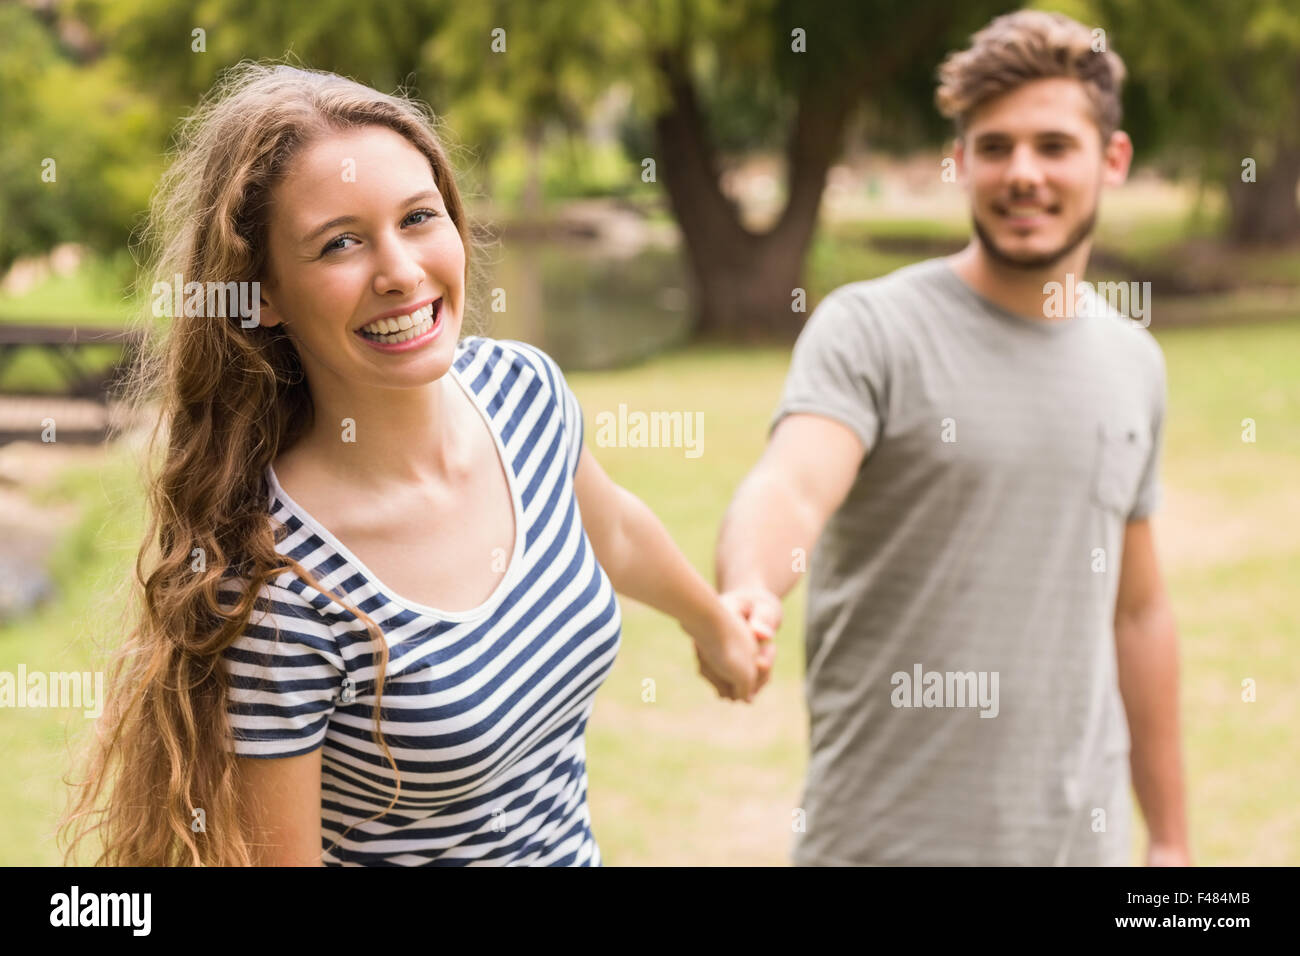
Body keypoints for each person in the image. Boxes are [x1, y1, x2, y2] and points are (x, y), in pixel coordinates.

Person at [60, 62, 771, 867]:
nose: (399, 271)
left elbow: (612, 530)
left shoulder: (523, 393)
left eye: (418, 218)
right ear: (264, 295)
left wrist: (716, 628)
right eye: (340, 243)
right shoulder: (282, 588)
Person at [716, 10, 1190, 866]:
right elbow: (791, 483)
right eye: (995, 147)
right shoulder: (871, 328)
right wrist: (753, 585)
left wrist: (1172, 841)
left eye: (1053, 146)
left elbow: (1140, 608)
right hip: (885, 841)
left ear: (1111, 160)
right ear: (960, 161)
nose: (1023, 175)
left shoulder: (1135, 364)